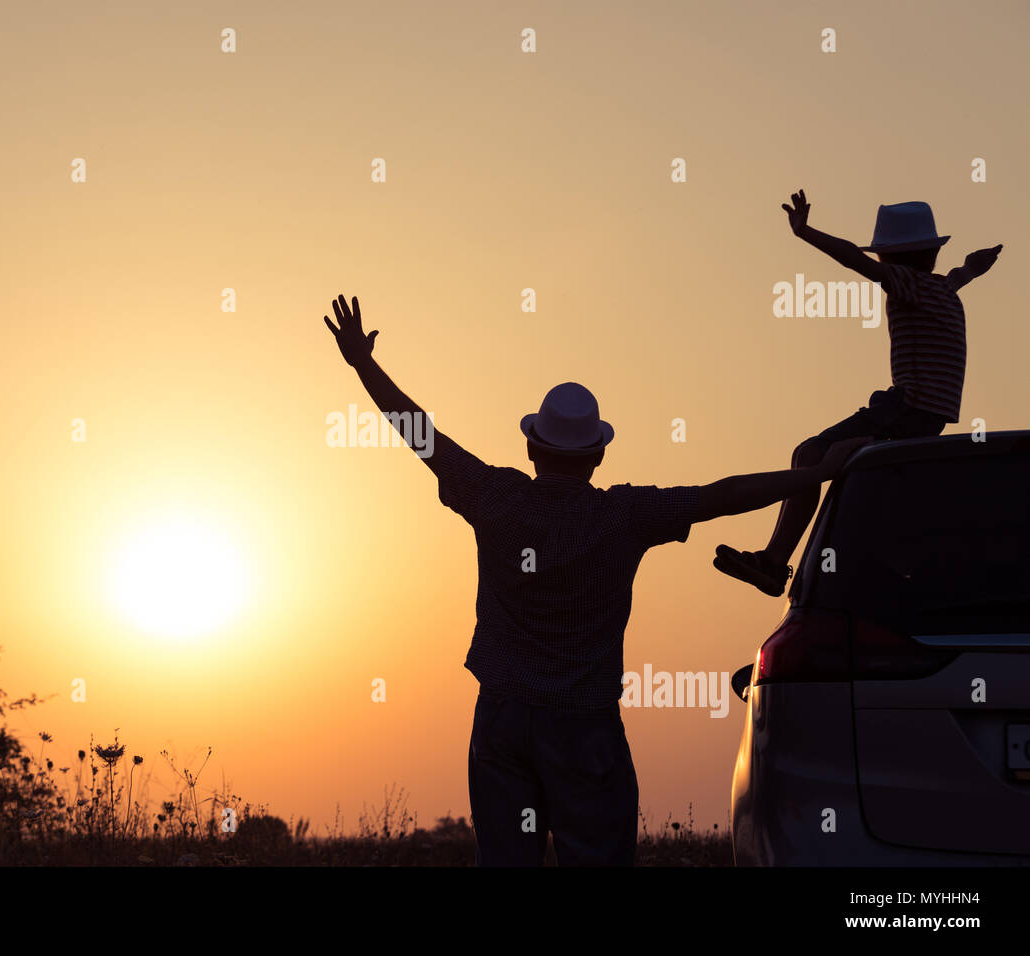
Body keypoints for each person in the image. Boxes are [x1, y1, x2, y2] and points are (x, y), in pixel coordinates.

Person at [322, 293, 867, 865]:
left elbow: (422, 435)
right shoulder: (624, 517)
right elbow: (721, 496)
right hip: (584, 729)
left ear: (532, 446)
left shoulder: (494, 496)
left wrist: (363, 363)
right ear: (598, 457)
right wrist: (822, 470)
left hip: (502, 721)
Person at [715, 190, 1002, 596]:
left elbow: (852, 258)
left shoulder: (907, 283)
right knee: (833, 462)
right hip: (926, 417)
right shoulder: (941, 289)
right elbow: (957, 278)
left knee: (810, 454)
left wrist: (806, 232)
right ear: (932, 253)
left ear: (889, 258)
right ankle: (785, 561)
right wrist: (974, 267)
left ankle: (774, 563)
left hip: (904, 410)